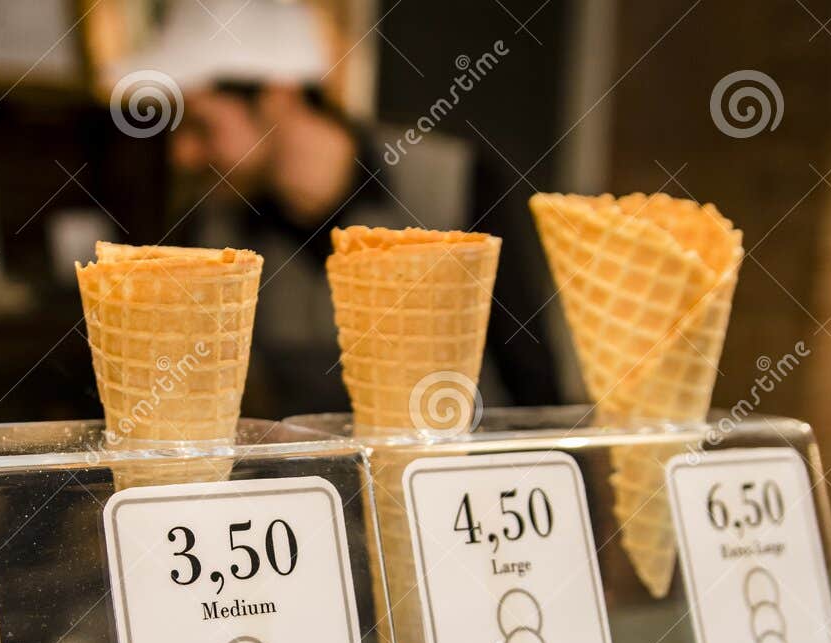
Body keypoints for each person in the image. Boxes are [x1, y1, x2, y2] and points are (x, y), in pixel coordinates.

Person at [108, 0, 560, 419]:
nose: (181, 155)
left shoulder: (456, 181)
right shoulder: (212, 227)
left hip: (466, 483)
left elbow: (532, 374)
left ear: (277, 94)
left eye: (201, 126)